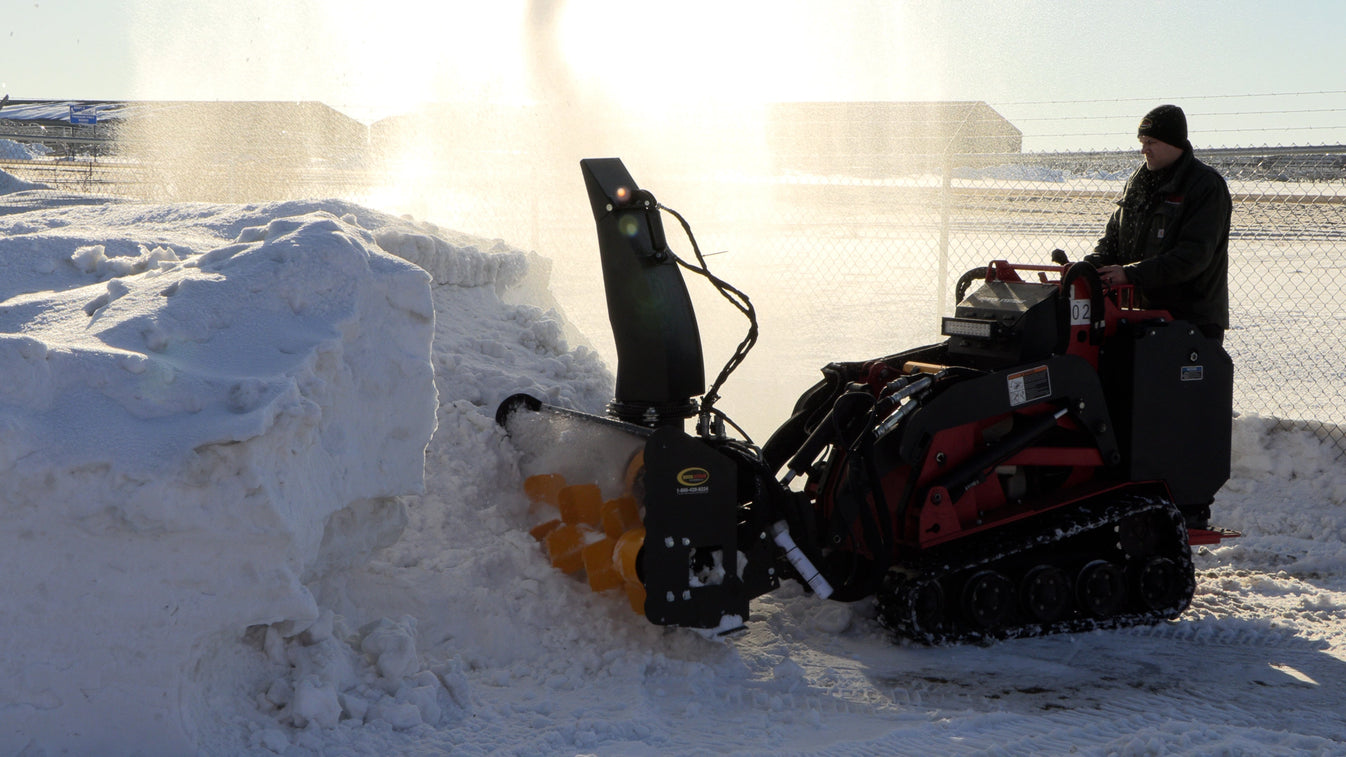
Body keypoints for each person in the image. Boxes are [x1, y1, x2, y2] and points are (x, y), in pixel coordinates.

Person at [1085, 104, 1232, 343]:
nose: (1144, 150)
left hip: (1189, 321)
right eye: (1142, 142)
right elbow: (1113, 237)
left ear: (1174, 143)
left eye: (1151, 142)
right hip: (1135, 315)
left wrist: (1131, 275)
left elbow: (1192, 256)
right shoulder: (1138, 181)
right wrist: (1091, 268)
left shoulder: (1205, 186)